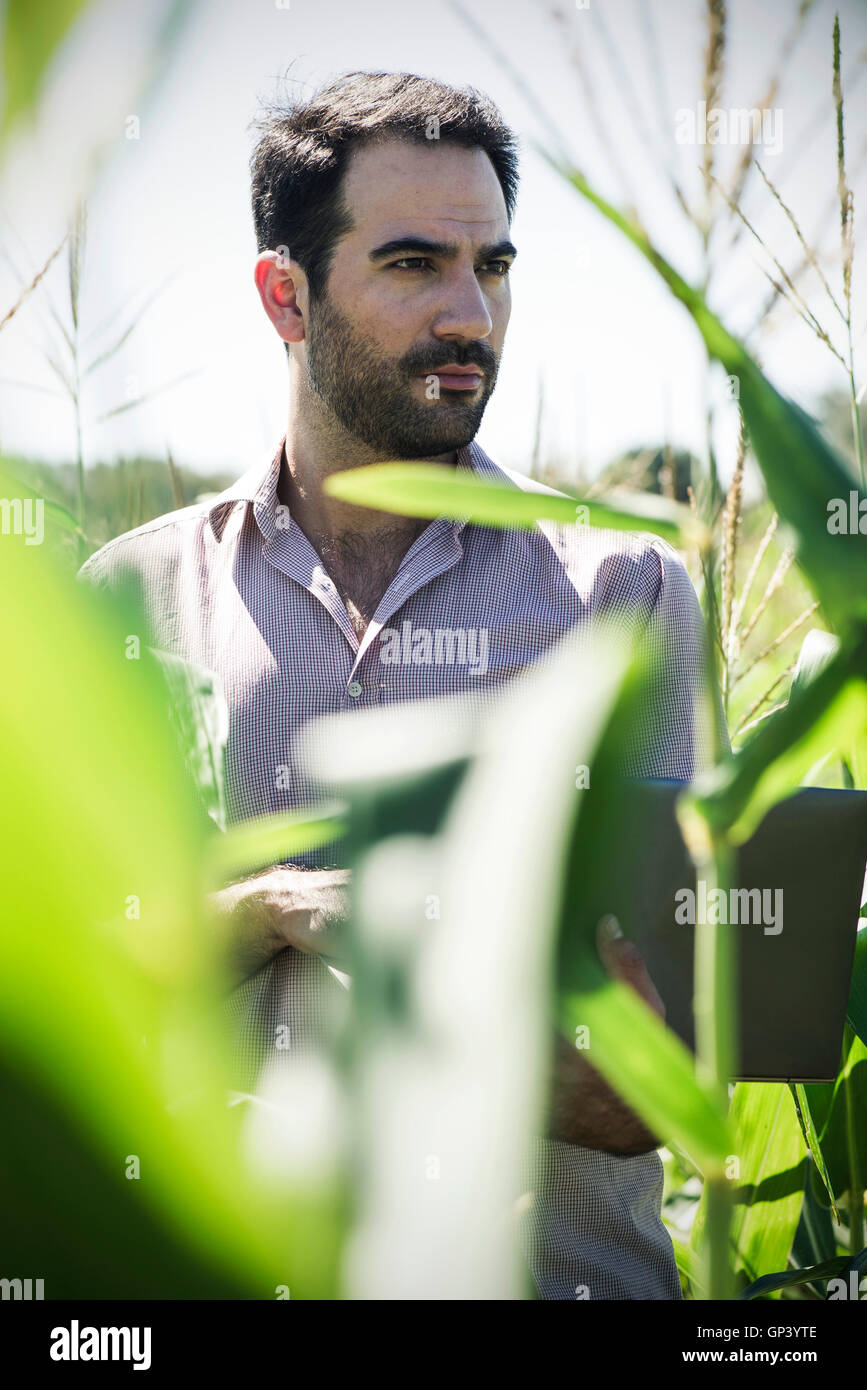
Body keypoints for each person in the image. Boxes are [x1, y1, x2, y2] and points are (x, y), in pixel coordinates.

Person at [79, 70, 724, 1300]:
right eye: (414, 264)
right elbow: (82, 992)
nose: (470, 316)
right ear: (287, 294)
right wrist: (271, 904)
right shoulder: (135, 594)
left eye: (494, 268)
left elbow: (657, 1066)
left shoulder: (625, 593)